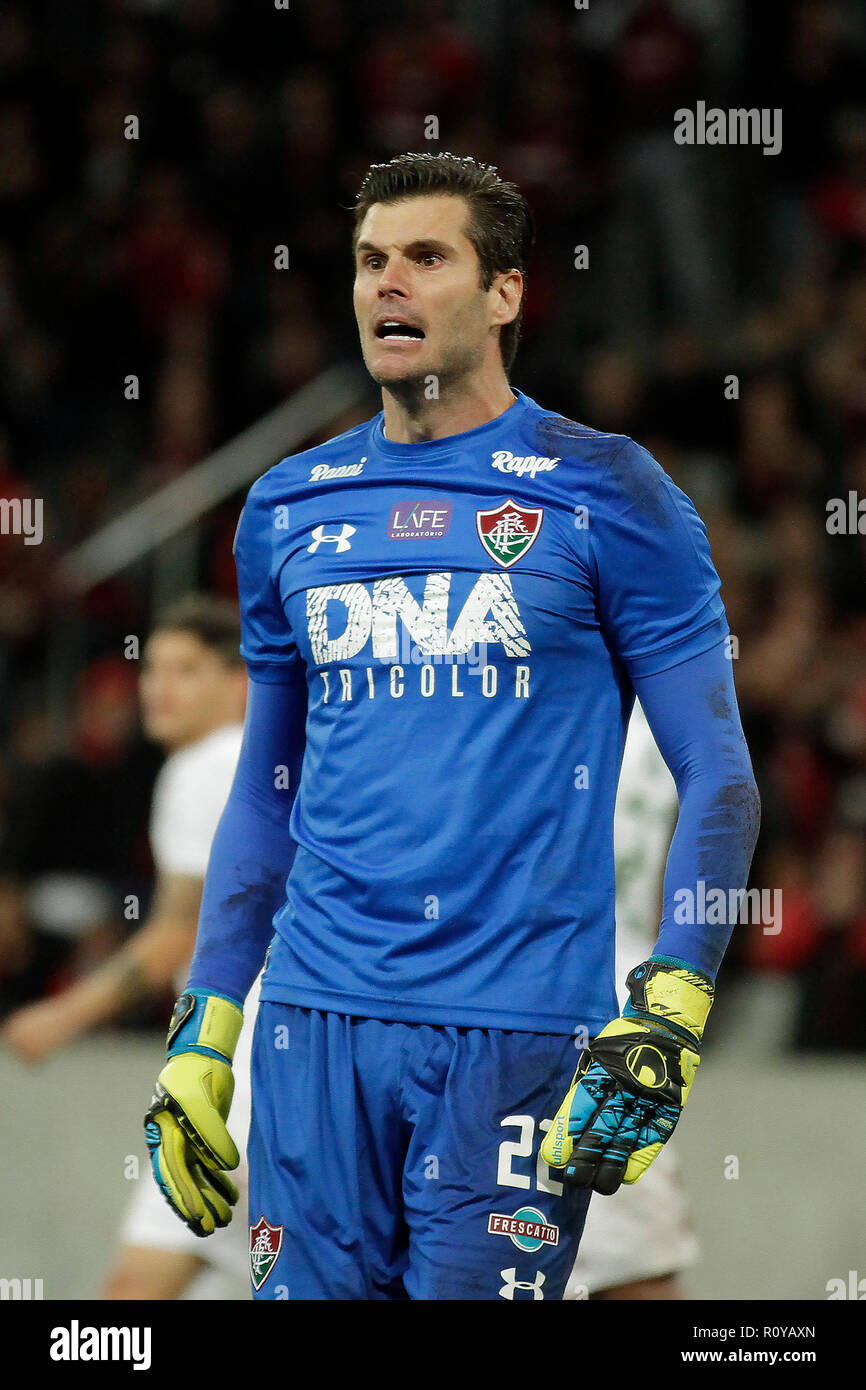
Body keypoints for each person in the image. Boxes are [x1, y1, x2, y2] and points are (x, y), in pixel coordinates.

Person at [145, 152, 760, 1301]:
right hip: (314, 1028)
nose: (389, 285)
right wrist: (205, 1024)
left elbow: (716, 767)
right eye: (371, 261)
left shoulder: (607, 490)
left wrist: (672, 1001)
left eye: (427, 259)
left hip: (515, 1030)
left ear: (505, 293)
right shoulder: (287, 506)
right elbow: (265, 789)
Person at [3, 595, 252, 1300]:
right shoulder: (274, 766)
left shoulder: (207, 767)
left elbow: (179, 928)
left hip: (233, 1079)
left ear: (239, 683)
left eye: (187, 670)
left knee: (130, 1300)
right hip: (286, 1071)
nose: (157, 687)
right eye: (154, 668)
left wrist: (61, 1016)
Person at [566, 700, 699, 1300]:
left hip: (516, 1006)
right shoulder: (681, 722)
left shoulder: (516, 702)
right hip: (634, 1013)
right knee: (638, 1271)